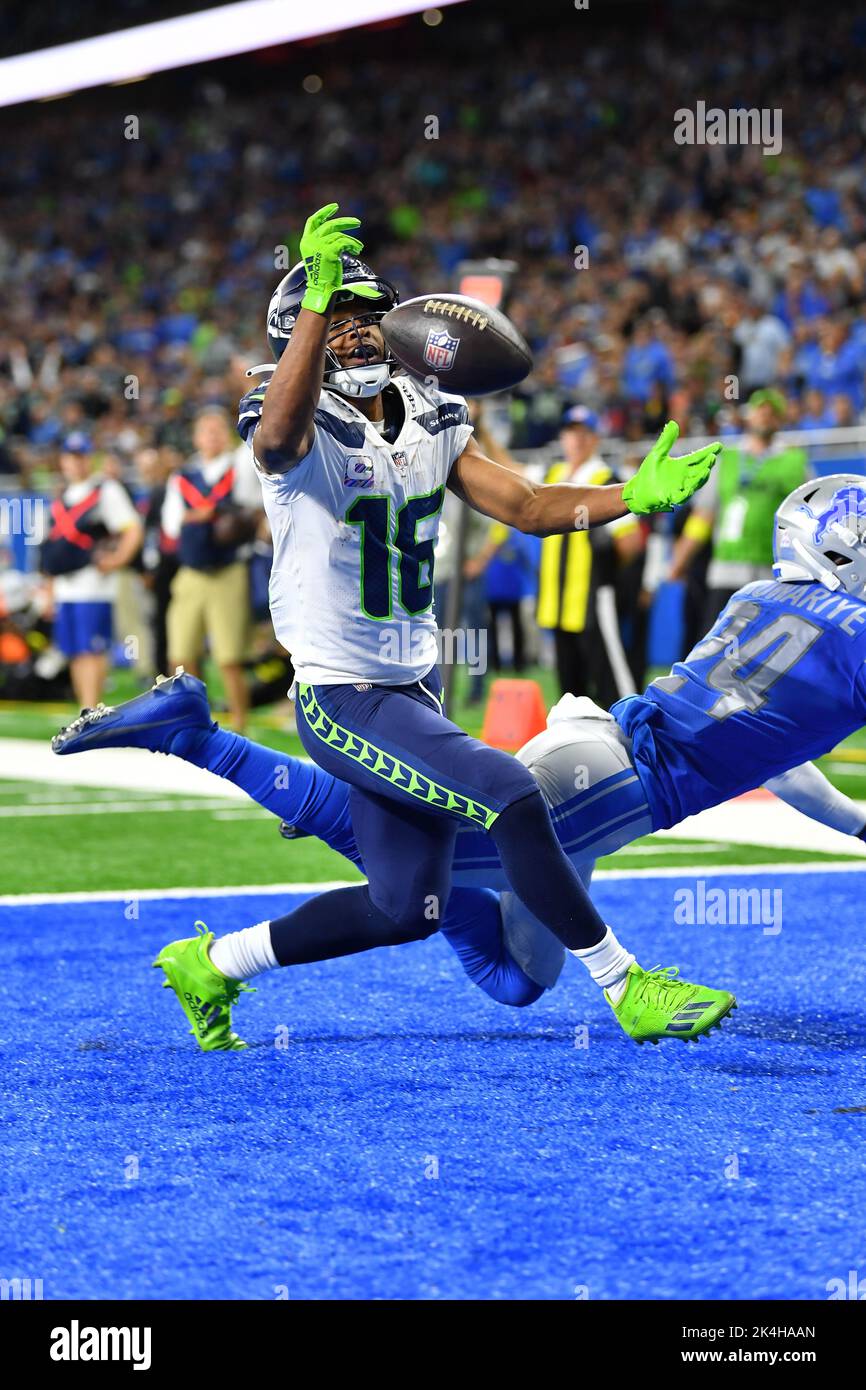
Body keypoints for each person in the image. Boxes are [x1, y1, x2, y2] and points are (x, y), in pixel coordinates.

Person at [57, 204, 727, 1052]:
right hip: (345, 693)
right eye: (339, 318)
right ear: (298, 333)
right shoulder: (286, 407)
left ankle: (215, 963)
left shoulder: (430, 410)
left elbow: (523, 503)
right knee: (512, 798)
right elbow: (275, 441)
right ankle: (627, 986)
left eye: (369, 317)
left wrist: (623, 498)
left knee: (407, 907)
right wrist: (312, 307)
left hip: (415, 682)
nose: (360, 333)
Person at [54, 481, 866, 1022]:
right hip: (600, 791)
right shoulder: (849, 636)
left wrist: (856, 823)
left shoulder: (764, 596)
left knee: (514, 978)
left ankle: (359, 815)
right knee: (400, 883)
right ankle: (199, 743)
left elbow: (773, 753)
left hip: (598, 757)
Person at [669, 389, 809, 636]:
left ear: (779, 420)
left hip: (771, 574)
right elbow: (703, 516)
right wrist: (679, 561)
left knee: (765, 653)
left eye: (771, 413)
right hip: (726, 570)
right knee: (714, 650)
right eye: (760, 411)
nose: (765, 417)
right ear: (749, 417)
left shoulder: (794, 461)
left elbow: (809, 516)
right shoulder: (727, 459)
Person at [161, 408, 264, 730]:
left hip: (228, 569)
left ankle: (239, 721)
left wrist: (212, 515)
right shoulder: (183, 477)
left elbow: (255, 508)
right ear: (196, 437)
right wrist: (210, 515)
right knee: (181, 652)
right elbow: (172, 526)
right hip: (192, 571)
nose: (212, 435)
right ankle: (196, 718)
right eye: (206, 430)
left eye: (218, 428)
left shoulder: (241, 464)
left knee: (229, 656)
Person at [535, 405, 642, 703]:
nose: (577, 440)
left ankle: (625, 745)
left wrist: (607, 572)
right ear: (562, 437)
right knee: (569, 694)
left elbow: (630, 542)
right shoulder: (553, 474)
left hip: (593, 603)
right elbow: (513, 474)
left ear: (596, 439)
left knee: (610, 687)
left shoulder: (607, 478)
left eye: (584, 434)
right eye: (571, 433)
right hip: (558, 602)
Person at [40, 432, 143, 709]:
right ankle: (83, 711)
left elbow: (131, 528)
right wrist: (49, 590)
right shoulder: (62, 496)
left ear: (89, 459)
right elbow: (52, 550)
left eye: (81, 456)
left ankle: (91, 708)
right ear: (63, 461)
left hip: (94, 585)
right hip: (66, 585)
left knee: (91, 650)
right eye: (71, 457)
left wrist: (118, 559)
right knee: (73, 650)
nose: (76, 463)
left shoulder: (105, 489)